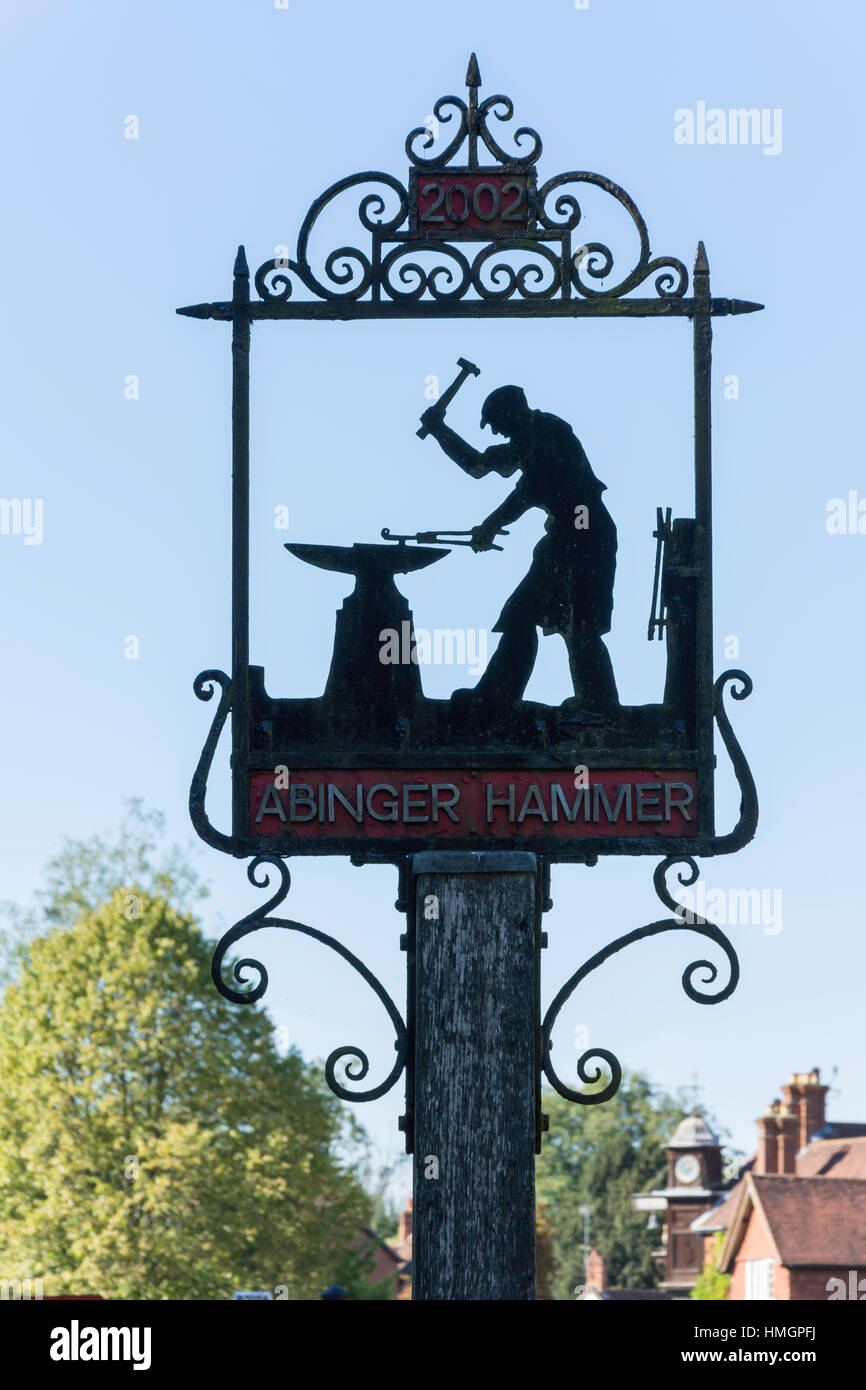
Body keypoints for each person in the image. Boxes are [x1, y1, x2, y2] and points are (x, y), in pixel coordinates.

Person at [419, 385, 619, 713]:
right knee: (522, 615)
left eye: (496, 423)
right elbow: (479, 466)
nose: (496, 431)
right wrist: (441, 431)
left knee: (579, 625)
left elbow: (530, 490)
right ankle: (499, 696)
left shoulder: (550, 433)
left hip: (587, 539)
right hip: (564, 540)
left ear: (512, 413)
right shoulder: (528, 440)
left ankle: (598, 705)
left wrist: (490, 524)